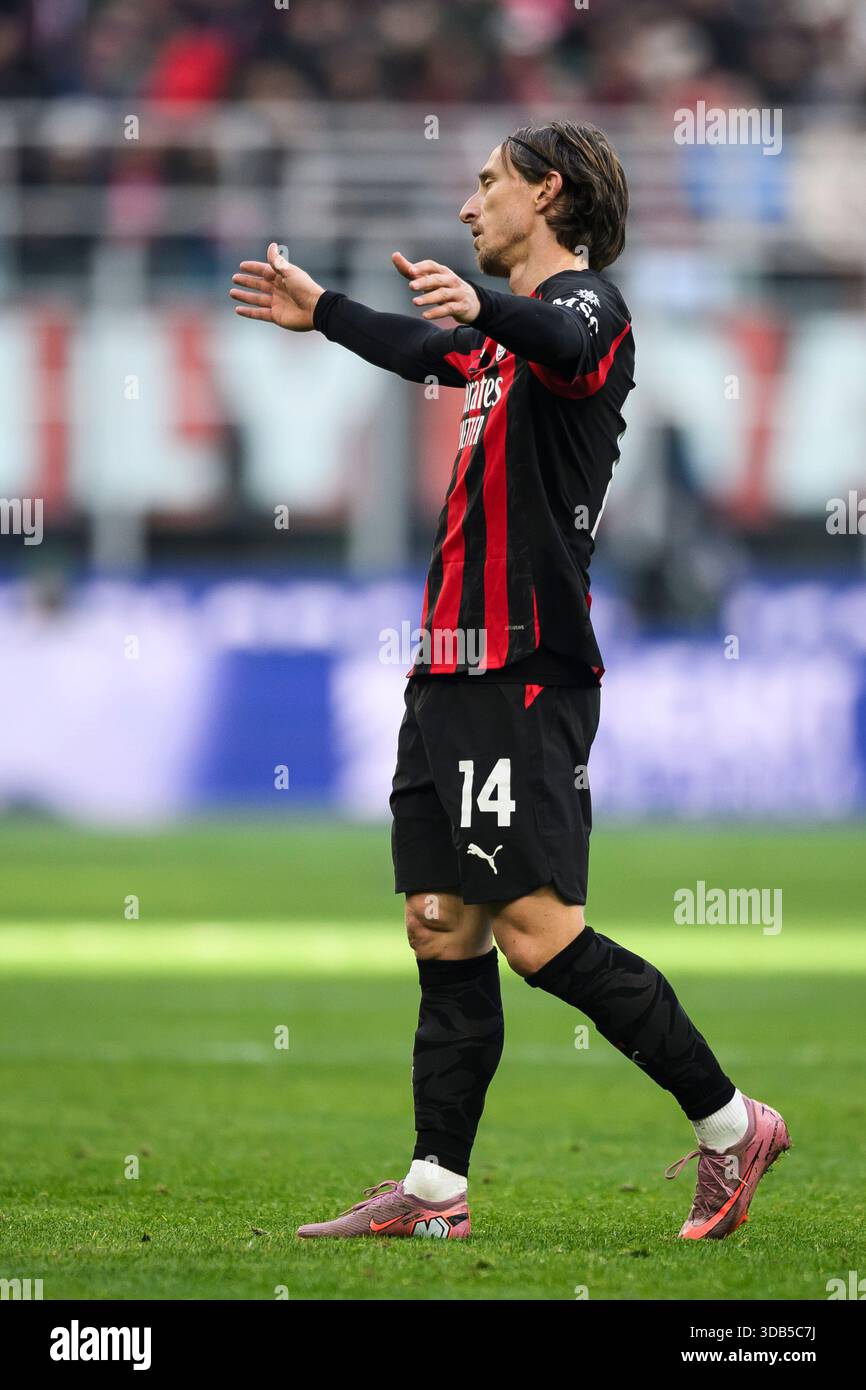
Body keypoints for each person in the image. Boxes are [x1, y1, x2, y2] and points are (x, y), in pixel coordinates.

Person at [229, 120, 789, 1242]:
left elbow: (559, 337)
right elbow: (418, 347)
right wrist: (324, 309)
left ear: (547, 192)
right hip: (446, 666)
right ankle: (436, 1192)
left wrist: (484, 306)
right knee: (440, 923)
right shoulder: (494, 347)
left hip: (522, 667)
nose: (467, 202)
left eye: (486, 183)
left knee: (537, 932)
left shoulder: (589, 313)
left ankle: (732, 1125)